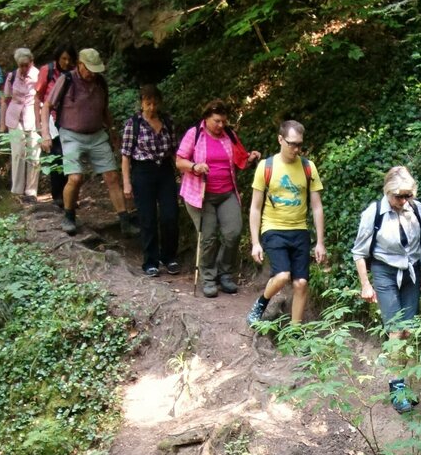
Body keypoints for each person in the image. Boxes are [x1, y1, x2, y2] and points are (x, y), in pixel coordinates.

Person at [354, 166, 421, 414]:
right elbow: (359, 252)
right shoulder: (374, 214)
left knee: (408, 330)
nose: (404, 201)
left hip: (411, 273)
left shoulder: (418, 209)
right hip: (385, 272)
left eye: (408, 195)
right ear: (387, 192)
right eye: (399, 196)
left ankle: (405, 383)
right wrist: (365, 284)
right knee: (395, 330)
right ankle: (397, 388)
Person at [246, 121, 326, 327]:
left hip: (299, 230)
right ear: (280, 139)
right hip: (273, 228)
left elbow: (317, 206)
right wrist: (255, 243)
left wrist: (320, 242)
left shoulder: (308, 167)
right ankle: (261, 304)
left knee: (301, 283)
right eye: (292, 144)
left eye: (300, 144)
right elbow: (255, 207)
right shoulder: (266, 167)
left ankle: (295, 330)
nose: (296, 149)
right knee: (282, 276)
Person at [47, 48, 128, 235]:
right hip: (71, 134)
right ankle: (69, 216)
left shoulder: (100, 83)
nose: (92, 74)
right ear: (80, 65)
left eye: (95, 70)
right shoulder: (67, 80)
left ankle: (124, 220)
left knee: (112, 176)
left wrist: (112, 131)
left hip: (97, 134)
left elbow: (105, 109)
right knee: (75, 178)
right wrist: (45, 133)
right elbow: (47, 106)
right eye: (89, 69)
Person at [175, 101, 248, 298]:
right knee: (208, 237)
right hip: (200, 195)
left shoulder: (229, 135)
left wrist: (250, 158)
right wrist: (195, 166)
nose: (221, 125)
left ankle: (225, 274)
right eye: (217, 121)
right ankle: (208, 278)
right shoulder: (194, 134)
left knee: (233, 233)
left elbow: (240, 159)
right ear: (206, 118)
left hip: (227, 192)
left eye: (224, 121)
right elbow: (179, 161)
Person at [119, 85, 180, 276]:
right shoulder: (133, 124)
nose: (152, 107)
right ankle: (150, 261)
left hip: (165, 171)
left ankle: (169, 257)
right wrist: (126, 183)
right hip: (142, 172)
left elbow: (175, 151)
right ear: (141, 103)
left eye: (155, 103)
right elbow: (126, 156)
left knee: (170, 215)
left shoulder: (167, 121)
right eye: (148, 103)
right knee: (147, 217)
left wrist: (183, 173)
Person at [2, 48, 43, 200]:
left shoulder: (38, 75)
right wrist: (2, 123)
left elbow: (43, 97)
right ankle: (17, 191)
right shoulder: (12, 76)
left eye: (27, 65)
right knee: (18, 153)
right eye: (21, 65)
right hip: (14, 118)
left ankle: (31, 191)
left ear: (32, 62)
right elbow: (5, 99)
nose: (24, 68)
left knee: (34, 153)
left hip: (33, 117)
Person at [37, 47, 75, 203]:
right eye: (63, 59)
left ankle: (69, 195)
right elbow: (38, 97)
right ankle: (58, 196)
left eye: (69, 59)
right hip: (52, 118)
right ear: (57, 58)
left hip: (70, 120)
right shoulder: (48, 71)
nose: (66, 62)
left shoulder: (74, 73)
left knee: (70, 156)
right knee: (57, 155)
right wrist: (39, 124)